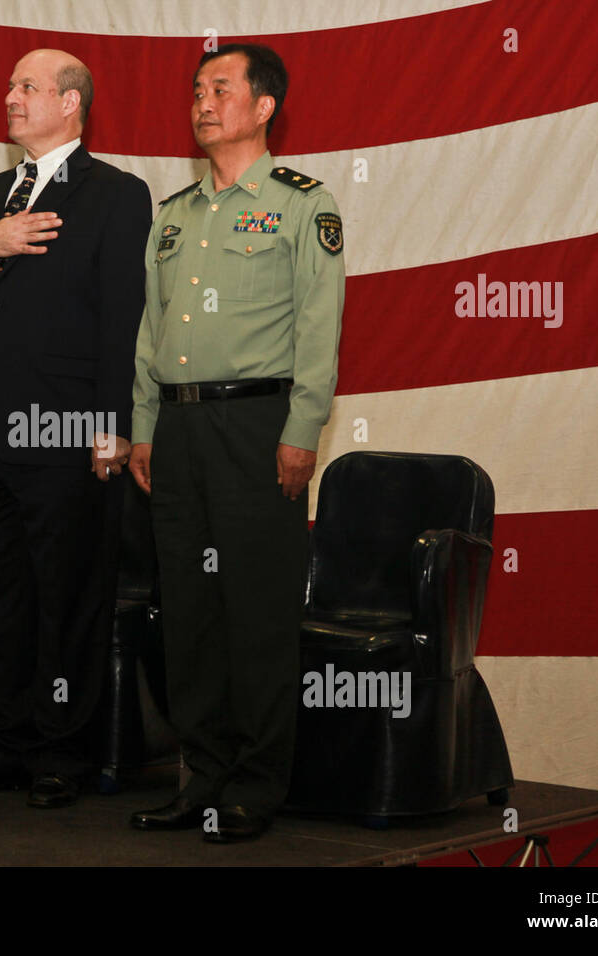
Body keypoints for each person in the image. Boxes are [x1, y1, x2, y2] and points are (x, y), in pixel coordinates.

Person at [0, 49, 151, 808]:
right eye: (10, 84)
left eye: (27, 86)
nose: (9, 95)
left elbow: (124, 321)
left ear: (72, 102)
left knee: (67, 597)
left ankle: (61, 758)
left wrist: (115, 427)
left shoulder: (116, 194)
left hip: (69, 429)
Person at [127, 44, 345, 841]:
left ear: (263, 109)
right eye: (196, 88)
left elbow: (320, 329)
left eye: (222, 88)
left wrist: (301, 432)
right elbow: (151, 329)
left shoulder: (301, 204)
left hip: (259, 425)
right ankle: (202, 776)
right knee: (188, 610)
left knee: (255, 609)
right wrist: (144, 425)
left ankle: (256, 783)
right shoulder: (175, 214)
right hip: (179, 429)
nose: (203, 100)